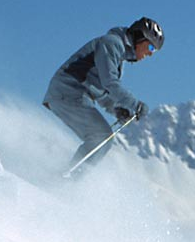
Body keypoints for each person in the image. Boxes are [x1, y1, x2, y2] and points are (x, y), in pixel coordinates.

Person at [43, 17, 164, 171]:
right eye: (151, 48)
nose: (150, 54)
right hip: (68, 90)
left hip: (74, 93)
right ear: (140, 38)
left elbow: (101, 89)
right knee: (101, 136)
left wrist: (116, 109)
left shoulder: (118, 53)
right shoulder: (112, 43)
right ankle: (68, 178)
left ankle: (68, 176)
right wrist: (135, 104)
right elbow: (110, 83)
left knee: (102, 138)